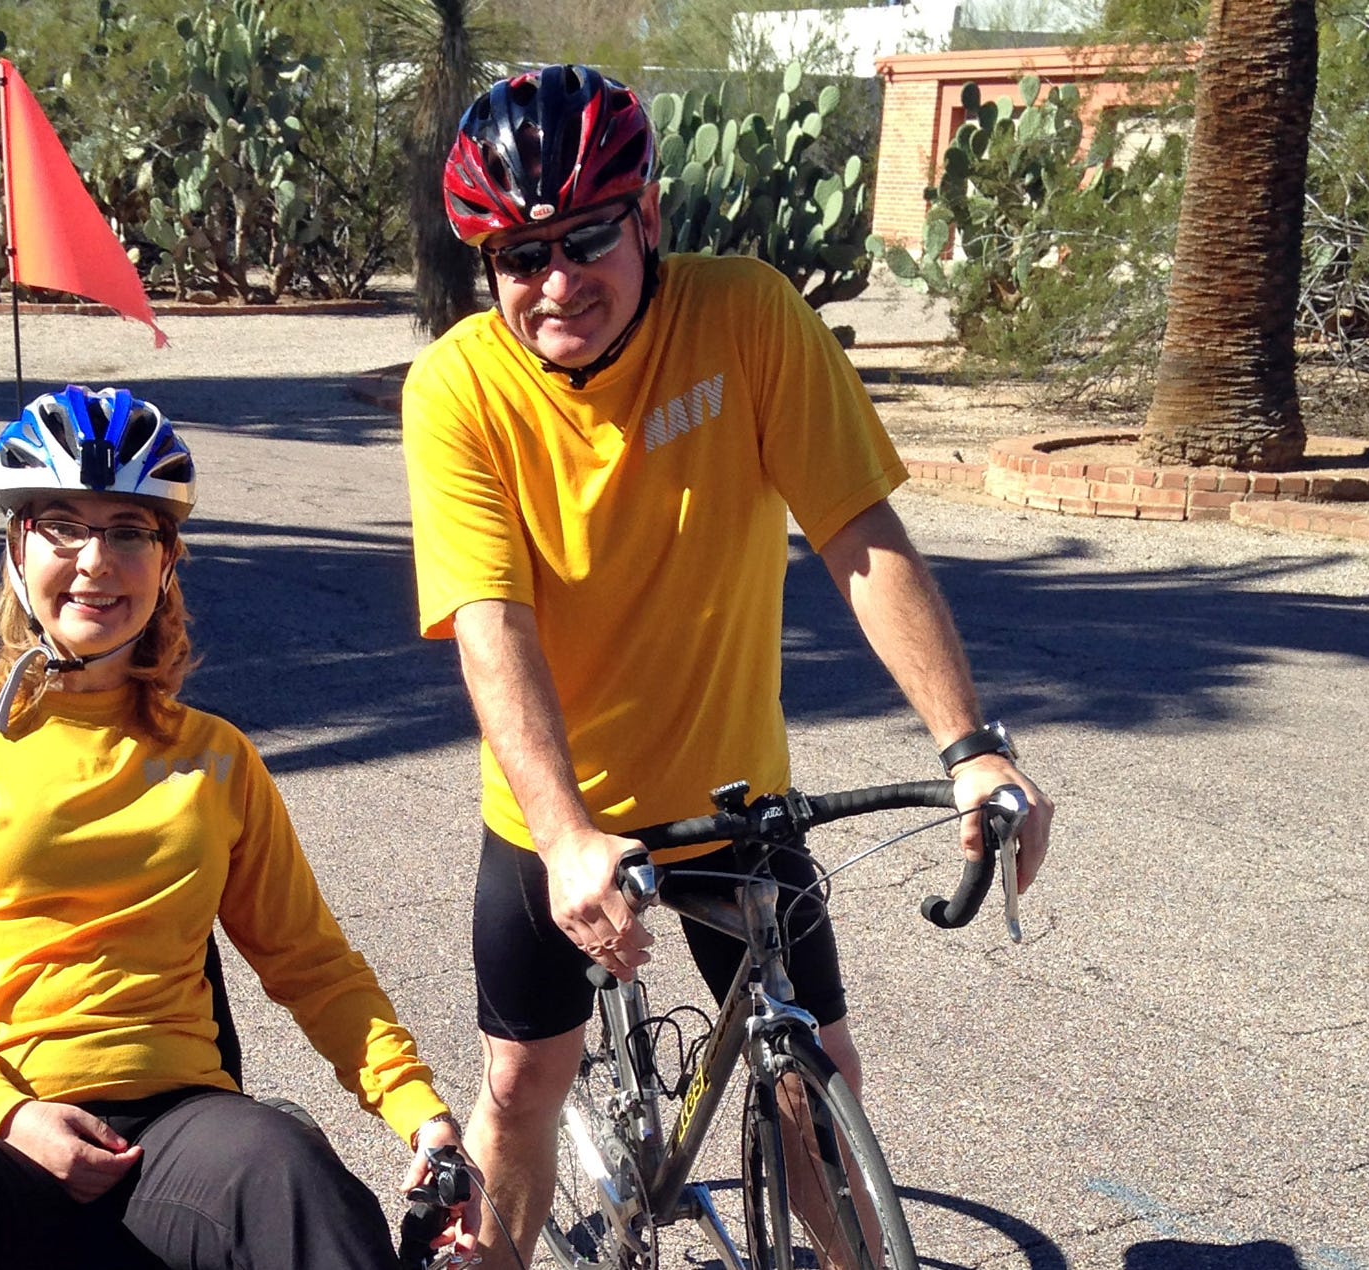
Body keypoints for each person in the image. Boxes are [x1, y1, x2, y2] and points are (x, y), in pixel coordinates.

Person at [401, 65, 1057, 1264]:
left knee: (818, 1084)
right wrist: (562, 837)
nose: (555, 282)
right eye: (516, 256)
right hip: (562, 821)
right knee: (522, 1082)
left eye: (586, 237)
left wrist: (972, 747)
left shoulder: (749, 315)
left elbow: (860, 534)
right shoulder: (458, 388)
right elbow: (492, 621)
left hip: (734, 805)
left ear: (647, 218)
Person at [0, 385, 476, 1270]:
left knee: (291, 1172)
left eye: (128, 530)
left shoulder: (216, 757)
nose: (95, 561)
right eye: (60, 525)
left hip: (172, 1137)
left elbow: (310, 963)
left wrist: (422, 1117)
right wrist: (7, 1113)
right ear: (16, 549)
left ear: (166, 562)